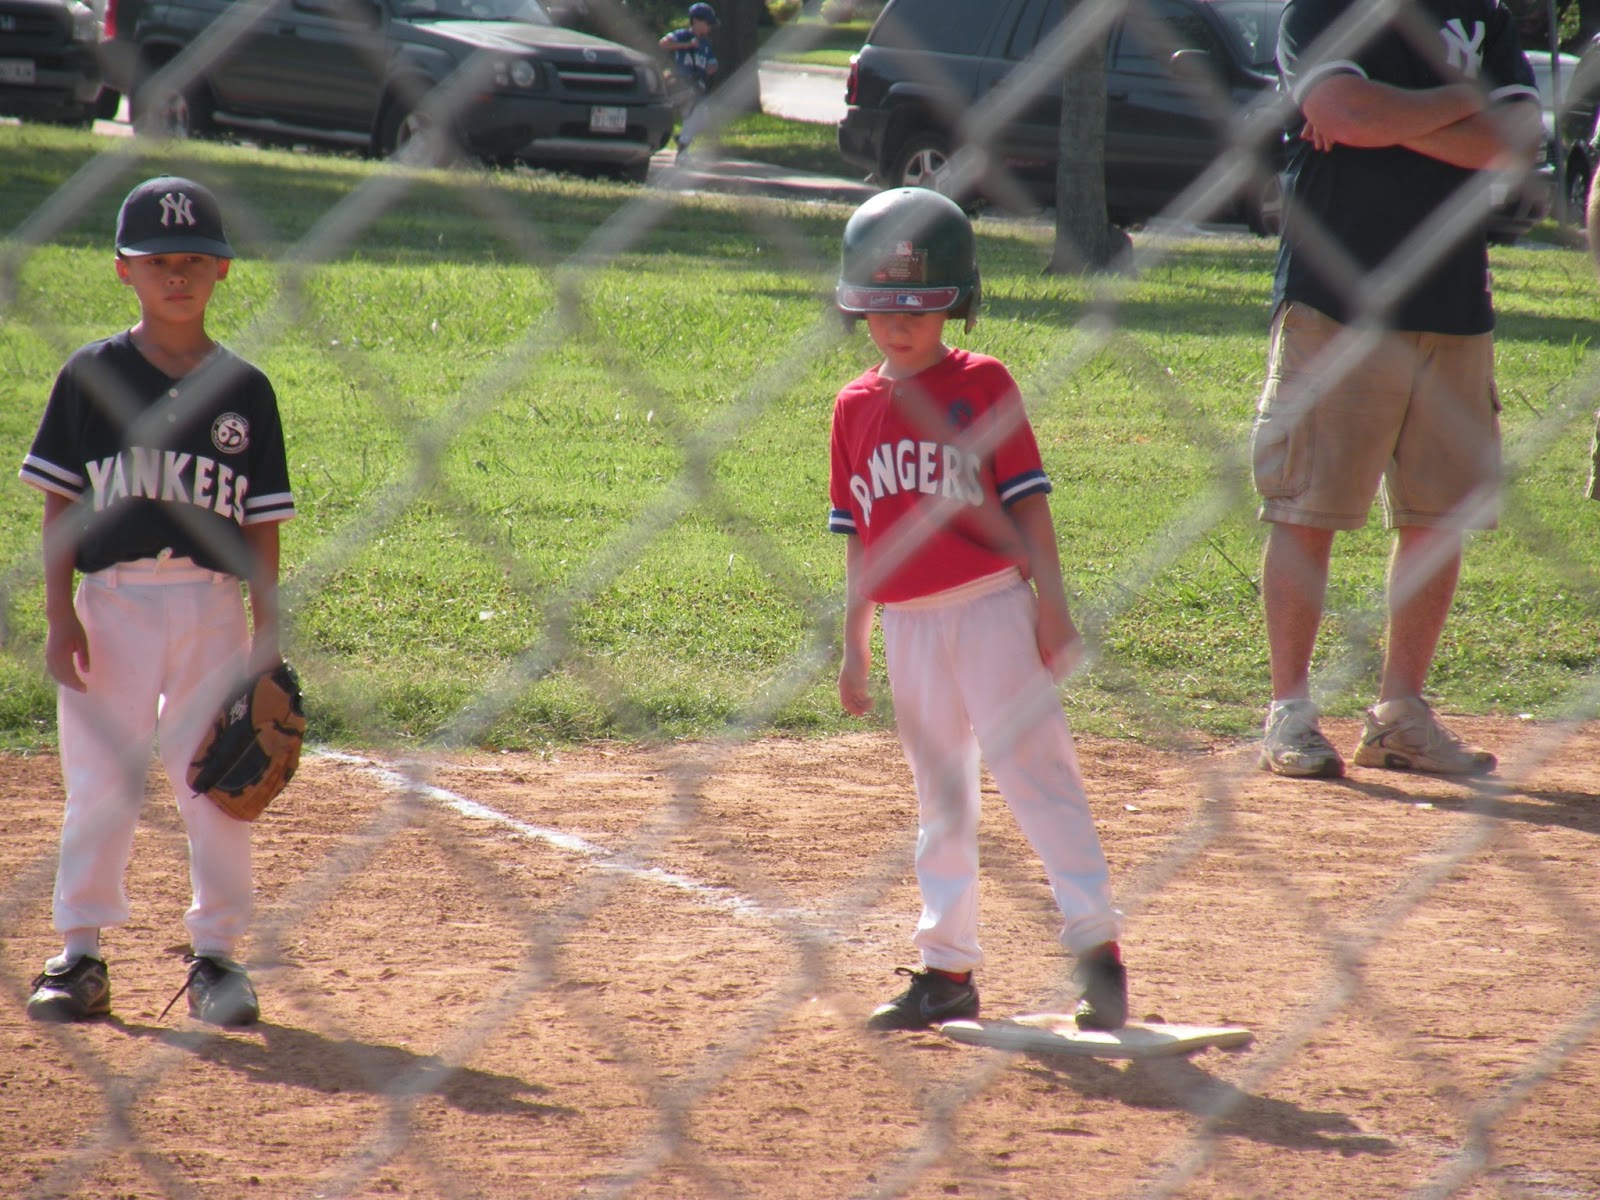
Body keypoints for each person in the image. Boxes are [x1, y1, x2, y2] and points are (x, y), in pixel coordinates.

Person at [828, 187, 1127, 1033]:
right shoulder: (852, 407)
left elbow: (1030, 507)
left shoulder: (983, 382)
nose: (899, 326)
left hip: (994, 607)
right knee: (941, 797)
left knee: (1038, 775)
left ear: (955, 300)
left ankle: (1097, 955)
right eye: (881, 308)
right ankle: (946, 969)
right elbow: (858, 538)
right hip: (907, 625)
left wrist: (1054, 610)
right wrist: (854, 644)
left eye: (919, 306)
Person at [19, 175, 296, 1026]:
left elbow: (260, 523)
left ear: (222, 273)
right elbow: (59, 507)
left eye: (194, 261)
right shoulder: (90, 376)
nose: (176, 275)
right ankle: (81, 954)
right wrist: (60, 612)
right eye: (157, 262)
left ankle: (216, 957)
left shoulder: (245, 390)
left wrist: (266, 625)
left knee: (215, 779)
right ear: (122, 272)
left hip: (212, 606)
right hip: (112, 603)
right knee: (101, 778)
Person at [1253, 0, 1541, 779]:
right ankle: (1291, 711)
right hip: (1335, 296)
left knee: (1437, 515)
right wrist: (1459, 101)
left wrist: (1382, 118)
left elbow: (1517, 140)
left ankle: (1400, 716)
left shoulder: (1484, 15)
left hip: (1453, 300)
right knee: (1308, 507)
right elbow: (1337, 109)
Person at [659, 2, 720, 161]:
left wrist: (711, 67)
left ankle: (682, 141)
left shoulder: (706, 44)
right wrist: (686, 45)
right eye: (707, 23)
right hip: (681, 83)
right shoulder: (682, 35)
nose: (709, 28)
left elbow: (712, 62)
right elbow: (663, 43)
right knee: (697, 111)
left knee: (703, 118)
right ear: (696, 21)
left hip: (696, 86)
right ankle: (682, 150)